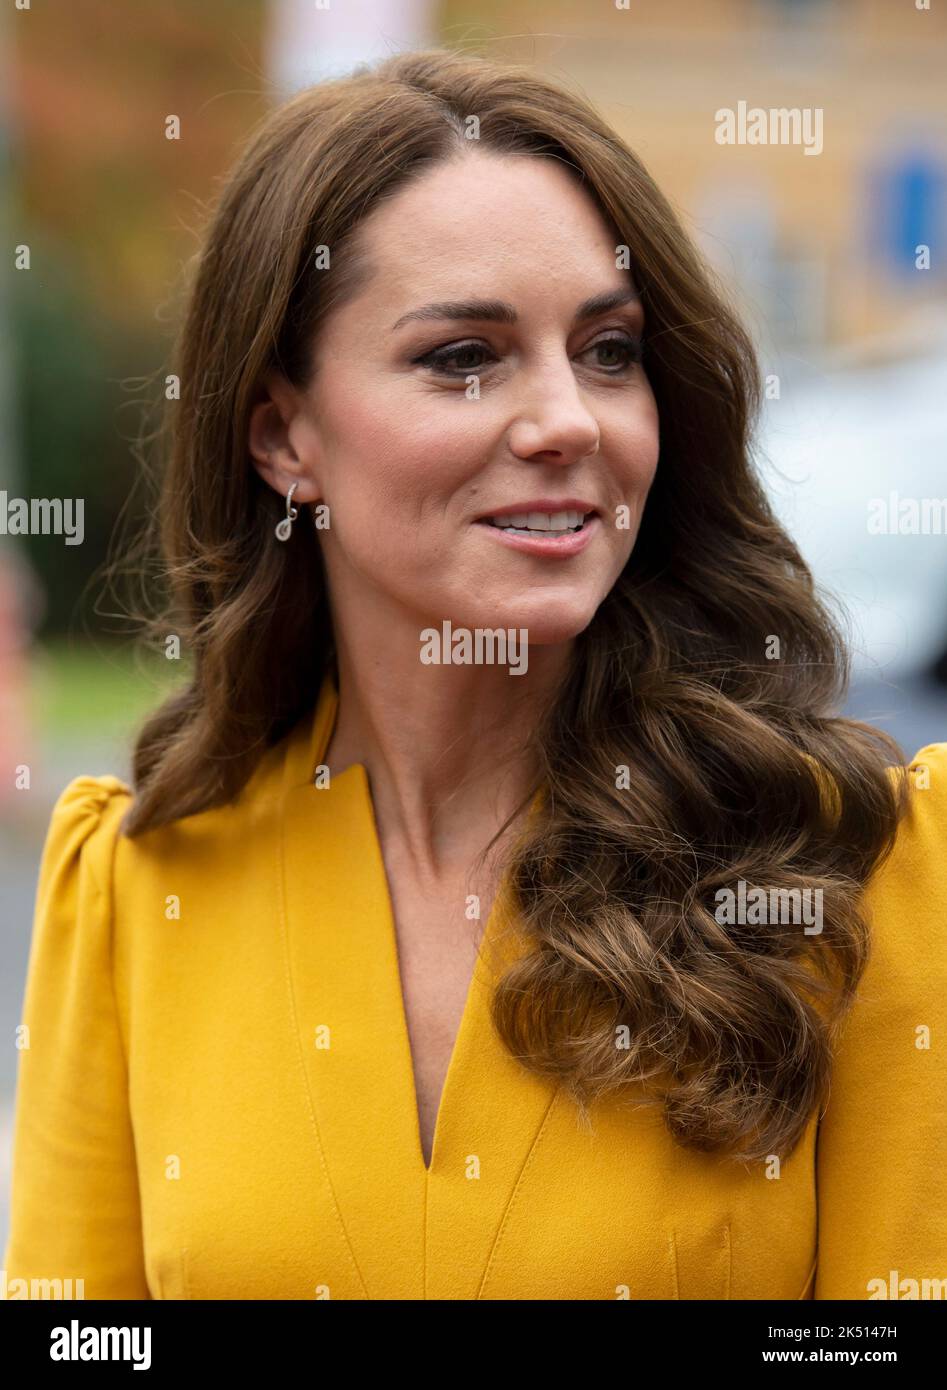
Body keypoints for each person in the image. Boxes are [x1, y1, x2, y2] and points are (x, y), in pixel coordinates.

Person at [4, 48, 945, 1302]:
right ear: (285, 433)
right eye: (463, 356)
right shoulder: (136, 886)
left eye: (609, 352)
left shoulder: (856, 866)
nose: (568, 418)